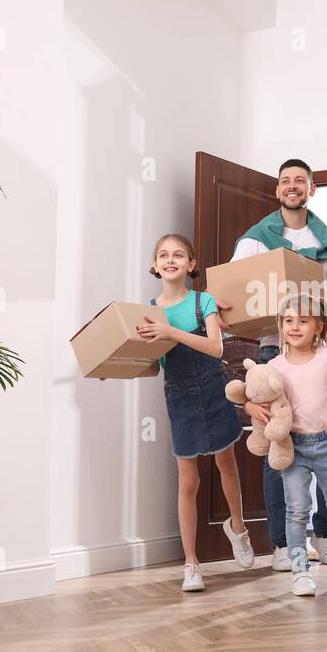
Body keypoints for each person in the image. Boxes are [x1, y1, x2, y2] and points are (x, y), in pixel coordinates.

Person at [226, 159, 327, 571]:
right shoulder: (254, 241)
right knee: (280, 448)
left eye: (300, 181)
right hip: (270, 354)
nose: (292, 187)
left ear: (312, 189)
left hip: (317, 354)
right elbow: (233, 298)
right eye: (285, 182)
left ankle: (325, 535)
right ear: (277, 190)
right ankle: (281, 543)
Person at [138, 233, 255, 592]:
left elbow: (215, 346)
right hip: (179, 395)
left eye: (178, 255)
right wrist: (115, 365)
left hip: (212, 386)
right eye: (163, 255)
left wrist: (170, 331)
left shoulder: (203, 302)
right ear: (155, 266)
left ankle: (238, 527)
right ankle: (191, 563)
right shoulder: (148, 311)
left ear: (191, 265)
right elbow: (151, 364)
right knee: (188, 481)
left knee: (227, 463)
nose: (169, 259)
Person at [252, 294, 327, 597]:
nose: (294, 327)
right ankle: (300, 571)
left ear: (318, 326)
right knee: (296, 510)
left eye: (302, 321)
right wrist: (253, 410)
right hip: (293, 447)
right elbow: (257, 397)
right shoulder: (276, 365)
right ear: (281, 326)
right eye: (288, 321)